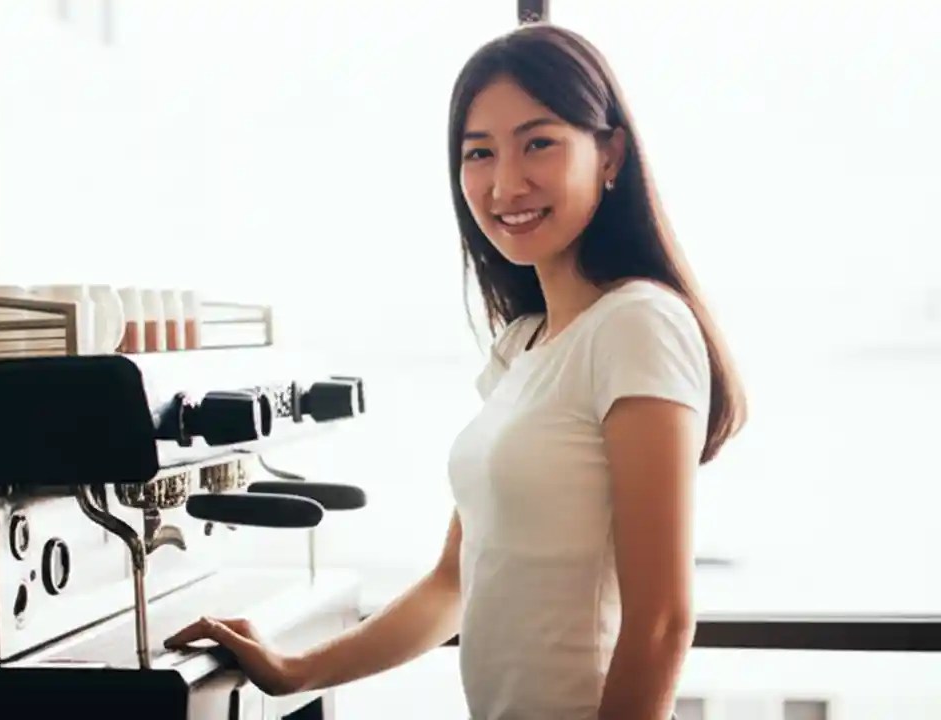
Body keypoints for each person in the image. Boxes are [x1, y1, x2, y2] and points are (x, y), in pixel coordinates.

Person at [164, 21, 747, 720]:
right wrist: (293, 671)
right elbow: (452, 585)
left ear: (610, 153)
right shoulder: (524, 344)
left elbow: (661, 622)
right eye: (479, 153)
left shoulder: (638, 323)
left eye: (538, 143)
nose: (505, 183)